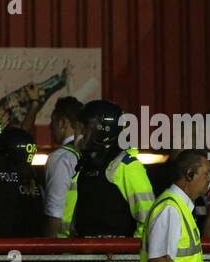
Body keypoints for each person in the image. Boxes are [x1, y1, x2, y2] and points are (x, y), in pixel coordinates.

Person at [59, 100, 154, 238]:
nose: (80, 134)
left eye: (85, 128)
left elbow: (148, 221)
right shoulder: (84, 167)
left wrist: (129, 254)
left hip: (118, 258)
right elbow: (69, 221)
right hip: (85, 257)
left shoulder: (127, 167)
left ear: (103, 130)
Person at [43, 96, 82, 237]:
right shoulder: (90, 155)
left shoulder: (61, 158)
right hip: (88, 248)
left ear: (62, 123)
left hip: (64, 247)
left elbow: (54, 212)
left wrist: (49, 253)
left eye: (52, 121)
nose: (49, 126)